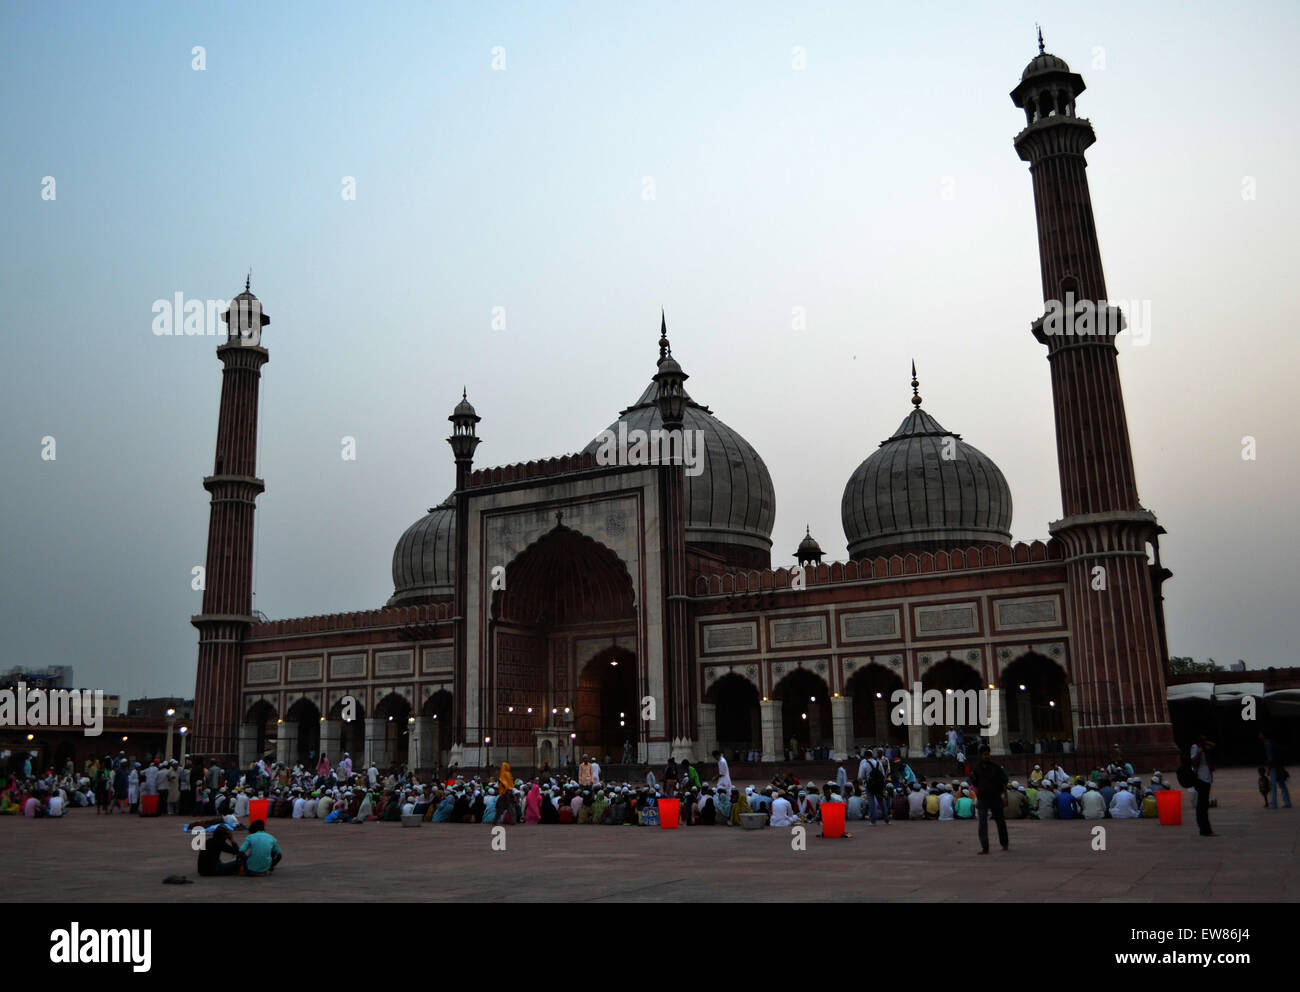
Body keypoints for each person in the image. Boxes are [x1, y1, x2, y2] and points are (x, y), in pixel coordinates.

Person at [969, 746, 1008, 853]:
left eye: (988, 754)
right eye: (984, 754)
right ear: (981, 755)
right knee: (982, 823)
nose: (987, 756)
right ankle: (985, 847)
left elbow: (1004, 782)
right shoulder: (977, 768)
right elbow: (974, 783)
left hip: (995, 797)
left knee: (1000, 822)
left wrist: (1005, 797)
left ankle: (1004, 843)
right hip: (983, 798)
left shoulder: (996, 768)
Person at [1259, 730, 1292, 809]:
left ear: (1263, 735)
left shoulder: (1267, 743)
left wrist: (1268, 768)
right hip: (1279, 766)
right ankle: (1287, 802)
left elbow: (1270, 757)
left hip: (1274, 767)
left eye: (1260, 734)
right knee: (1282, 784)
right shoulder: (1272, 742)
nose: (1259, 735)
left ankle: (1273, 804)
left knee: (1273, 786)